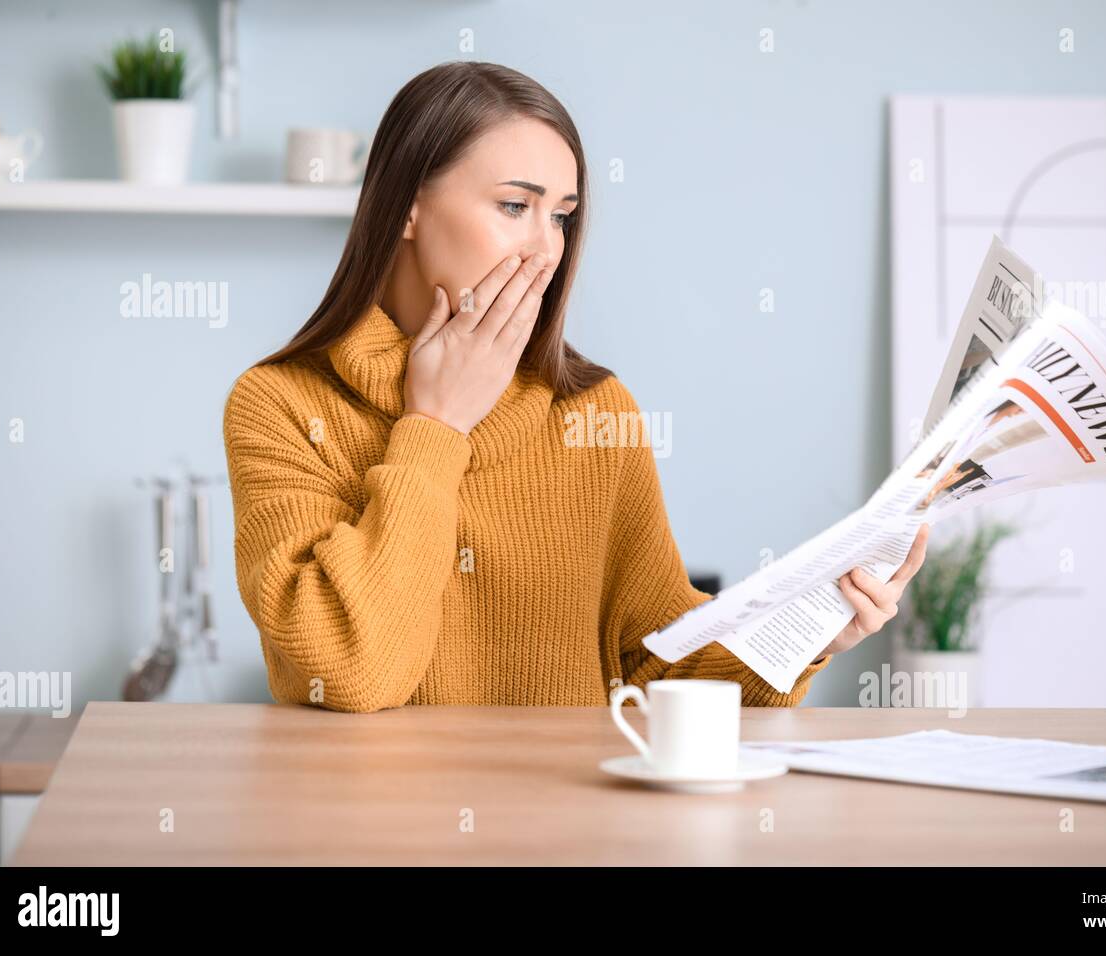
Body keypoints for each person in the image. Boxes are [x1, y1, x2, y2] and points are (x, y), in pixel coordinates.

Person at [222, 61, 929, 713]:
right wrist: (434, 427)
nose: (547, 248)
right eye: (514, 206)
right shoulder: (278, 405)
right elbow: (352, 669)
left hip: (565, 809)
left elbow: (657, 666)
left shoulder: (595, 411)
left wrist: (804, 630)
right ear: (406, 206)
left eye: (560, 214)